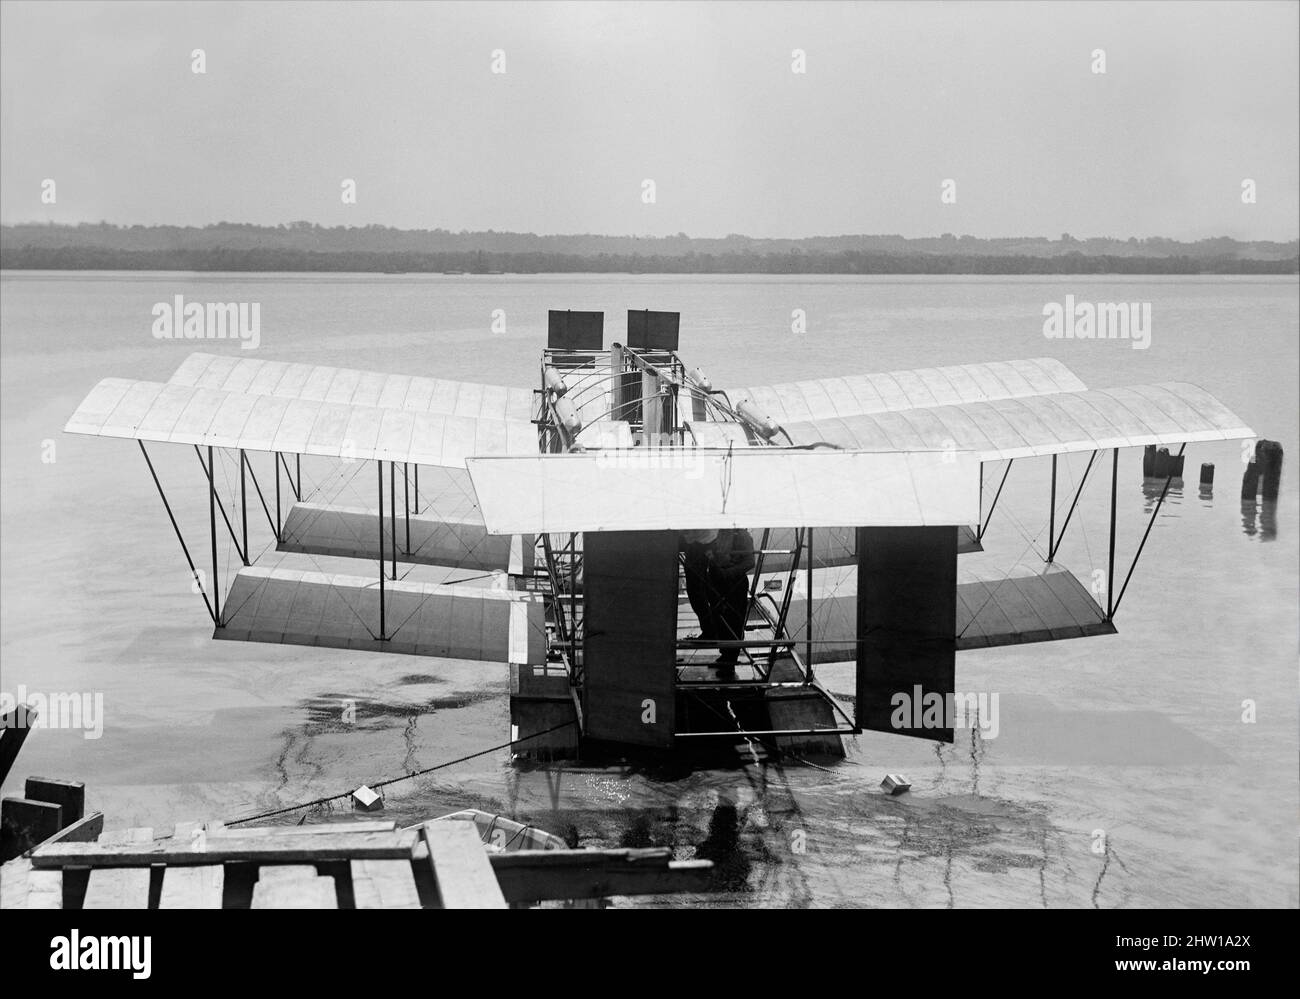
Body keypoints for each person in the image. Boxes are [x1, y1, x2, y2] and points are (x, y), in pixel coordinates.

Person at [681, 527, 756, 677]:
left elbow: (749, 562)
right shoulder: (720, 534)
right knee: (719, 617)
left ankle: (730, 660)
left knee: (733, 621)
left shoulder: (741, 535)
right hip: (717, 579)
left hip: (734, 581)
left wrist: (728, 572)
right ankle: (725, 655)